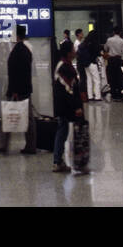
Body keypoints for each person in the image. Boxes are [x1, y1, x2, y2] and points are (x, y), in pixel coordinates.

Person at [0, 25, 36, 154]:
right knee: (14, 116)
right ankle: (6, 144)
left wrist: (16, 90)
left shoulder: (20, 50)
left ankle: (26, 146)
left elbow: (20, 72)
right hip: (21, 89)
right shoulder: (22, 49)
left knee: (15, 116)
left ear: (17, 36)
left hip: (19, 90)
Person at [51, 40, 86, 174]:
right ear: (68, 52)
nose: (75, 51)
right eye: (73, 49)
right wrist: (76, 107)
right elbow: (69, 89)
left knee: (64, 131)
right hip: (65, 106)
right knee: (63, 131)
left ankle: (59, 160)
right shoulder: (64, 67)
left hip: (65, 105)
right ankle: (58, 161)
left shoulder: (66, 64)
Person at [103, 27, 123, 98]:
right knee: (119, 77)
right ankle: (119, 93)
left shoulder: (109, 40)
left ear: (113, 32)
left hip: (111, 60)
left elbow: (105, 48)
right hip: (119, 60)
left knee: (111, 76)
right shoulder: (122, 41)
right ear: (120, 32)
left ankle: (113, 93)